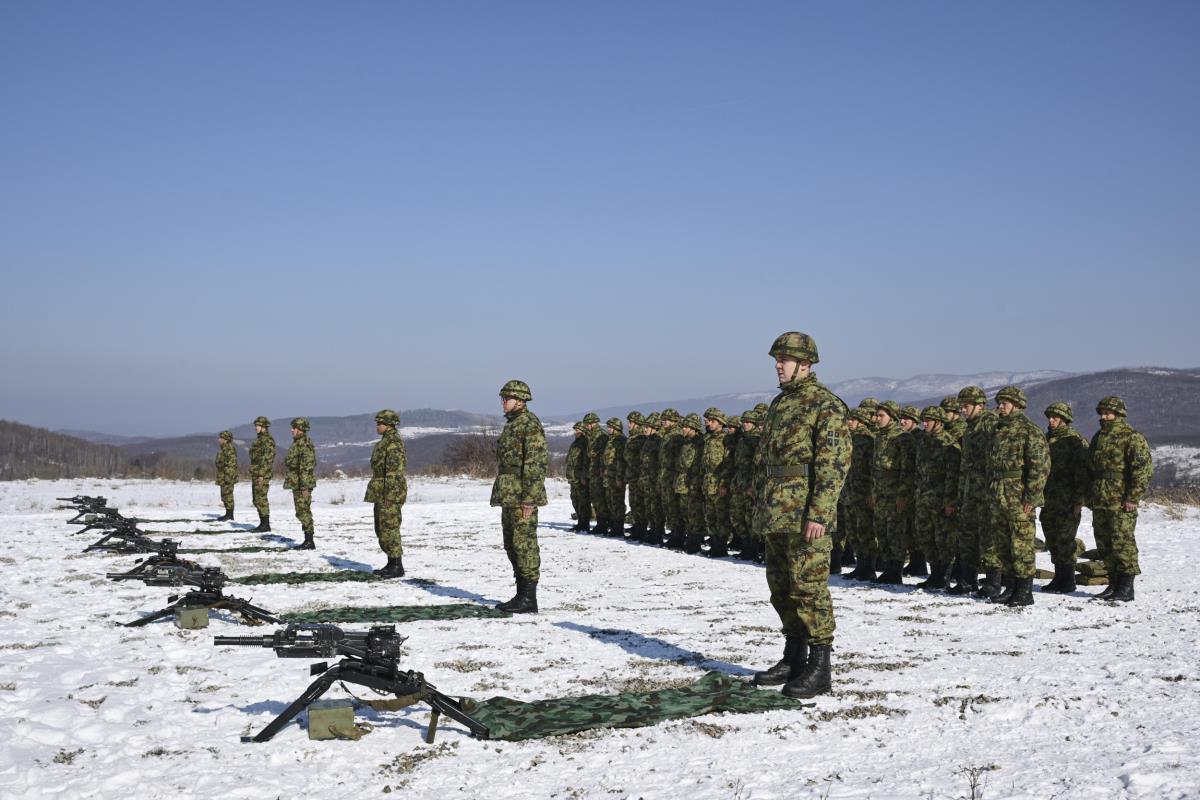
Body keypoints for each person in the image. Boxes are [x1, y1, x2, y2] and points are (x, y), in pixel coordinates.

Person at [752, 332, 850, 699]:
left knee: (809, 588)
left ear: (805, 365)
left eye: (784, 360)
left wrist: (819, 514)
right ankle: (794, 657)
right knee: (781, 587)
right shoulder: (781, 404)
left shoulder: (825, 405)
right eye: (777, 360)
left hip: (806, 514)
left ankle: (820, 667)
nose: (778, 365)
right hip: (777, 512)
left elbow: (833, 465)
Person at [986, 387, 1050, 606]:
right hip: (998, 494)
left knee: (1021, 544)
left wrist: (1031, 498)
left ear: (1017, 405)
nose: (1000, 406)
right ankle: (1011, 587)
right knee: (1003, 544)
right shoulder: (998, 430)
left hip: (1018, 496)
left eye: (1005, 403)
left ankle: (1024, 591)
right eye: (999, 402)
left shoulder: (1029, 431)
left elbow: (1040, 467)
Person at [1086, 397, 1152, 602]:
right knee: (1104, 542)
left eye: (1108, 413)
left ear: (1119, 414)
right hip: (1100, 499)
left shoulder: (1132, 437)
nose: (1104, 416)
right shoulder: (1099, 437)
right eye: (1102, 413)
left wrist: (1132, 496)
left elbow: (1142, 470)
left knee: (1122, 542)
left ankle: (1126, 587)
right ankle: (1113, 584)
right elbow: (1090, 467)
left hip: (1121, 500)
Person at [490, 380, 548, 613]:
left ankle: (528, 598)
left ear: (521, 401)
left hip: (522, 495)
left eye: (508, 398)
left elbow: (535, 464)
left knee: (524, 544)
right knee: (511, 544)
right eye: (503, 398)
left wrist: (529, 498)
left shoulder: (529, 424)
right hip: (509, 494)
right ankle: (521, 594)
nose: (503, 402)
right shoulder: (512, 424)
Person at [1040, 402, 1089, 593]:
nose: (1051, 420)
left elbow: (1082, 473)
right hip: (1049, 498)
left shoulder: (1074, 440)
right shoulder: (1046, 439)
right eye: (1049, 417)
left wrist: (1078, 501)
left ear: (1065, 419)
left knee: (1065, 539)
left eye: (1055, 417)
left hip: (1067, 499)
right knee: (1051, 537)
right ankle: (1059, 577)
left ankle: (1068, 580)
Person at [366, 409, 407, 577]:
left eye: (380, 423)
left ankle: (397, 566)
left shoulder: (393, 443)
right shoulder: (385, 441)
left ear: (389, 425)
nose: (377, 426)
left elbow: (394, 472)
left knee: (390, 528)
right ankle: (391, 563)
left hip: (389, 491)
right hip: (381, 490)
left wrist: (390, 495)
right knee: (382, 528)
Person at [284, 417, 317, 549]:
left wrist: (304, 486)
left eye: (294, 428)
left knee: (303, 511)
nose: (292, 430)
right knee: (301, 511)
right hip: (297, 482)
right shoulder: (297, 443)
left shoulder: (304, 444)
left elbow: (306, 467)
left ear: (301, 429)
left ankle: (309, 541)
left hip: (302, 483)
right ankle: (308, 540)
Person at [249, 416, 276, 532]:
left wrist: (261, 475)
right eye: (256, 425)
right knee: (256, 499)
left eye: (258, 426)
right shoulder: (259, 440)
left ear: (264, 427)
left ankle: (265, 525)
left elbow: (267, 459)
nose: (256, 428)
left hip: (262, 475)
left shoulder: (267, 440)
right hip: (256, 473)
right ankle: (262, 523)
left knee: (261, 498)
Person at [566, 422, 590, 532]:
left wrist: (584, 476)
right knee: (575, 500)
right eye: (575, 430)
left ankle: (584, 524)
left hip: (580, 477)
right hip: (573, 478)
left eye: (577, 430)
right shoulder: (575, 443)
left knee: (583, 501)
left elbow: (586, 461)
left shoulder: (585, 443)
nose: (575, 432)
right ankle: (580, 522)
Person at [215, 430, 238, 521]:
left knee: (228, 495)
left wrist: (228, 477)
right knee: (224, 495)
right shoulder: (224, 449)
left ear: (226, 439)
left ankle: (230, 515)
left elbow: (231, 464)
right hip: (223, 475)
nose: (219, 439)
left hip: (228, 476)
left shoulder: (229, 449)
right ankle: (227, 513)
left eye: (221, 438)